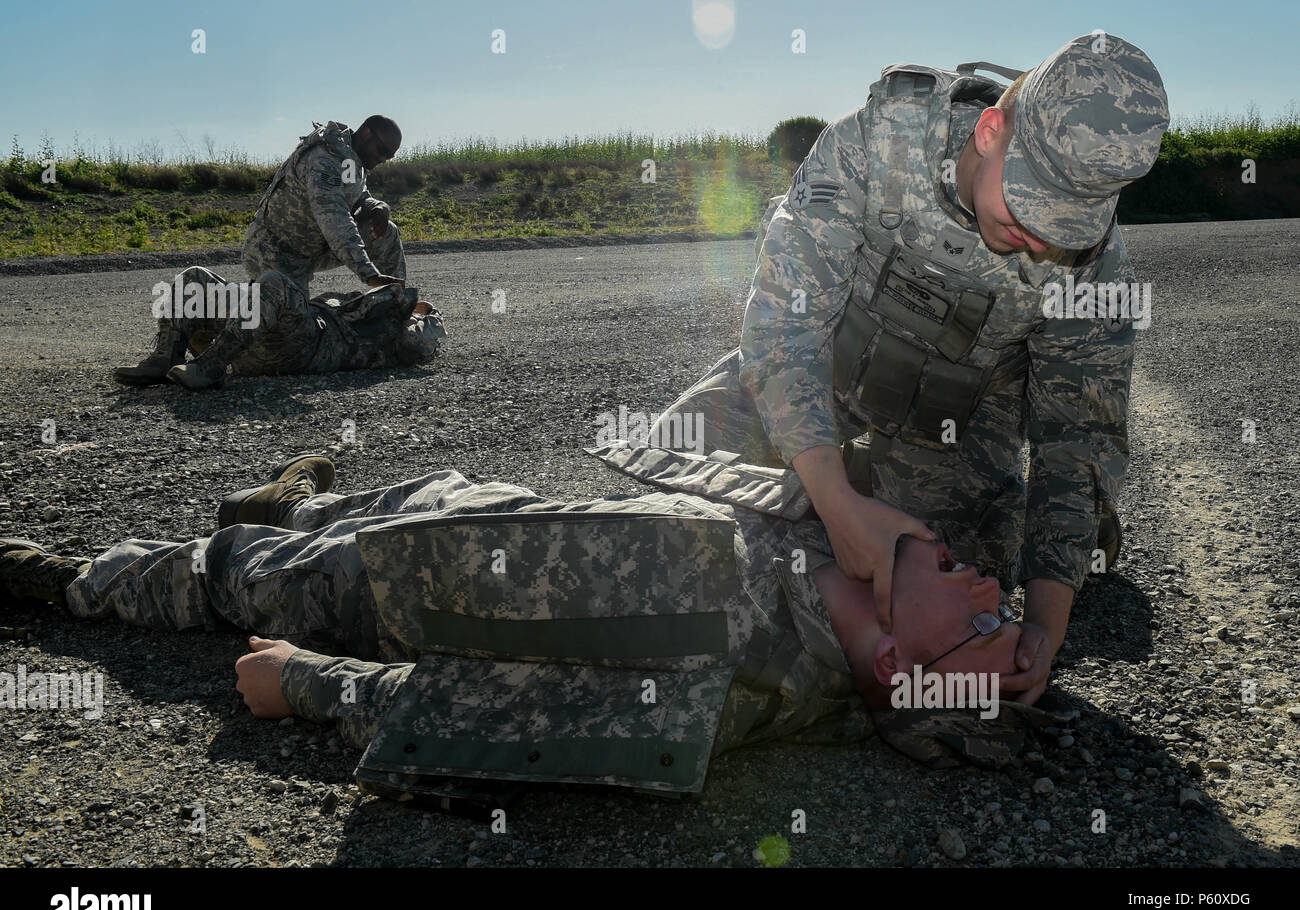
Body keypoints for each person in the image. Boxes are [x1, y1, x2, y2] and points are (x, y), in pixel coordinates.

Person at [0, 445, 1067, 804]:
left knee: (221, 572)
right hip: (470, 506)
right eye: (1000, 604)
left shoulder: (736, 677)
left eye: (979, 627)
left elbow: (506, 725)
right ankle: (291, 495)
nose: (990, 591)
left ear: (889, 658)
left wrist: (309, 682)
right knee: (332, 506)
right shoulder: (832, 524)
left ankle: (56, 580)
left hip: (382, 592)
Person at [649, 35, 1168, 707]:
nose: (1043, 242)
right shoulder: (874, 149)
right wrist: (836, 506)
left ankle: (1057, 536)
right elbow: (785, 327)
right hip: (821, 389)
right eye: (1033, 209)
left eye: (1068, 227)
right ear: (989, 133)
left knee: (950, 569)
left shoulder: (1096, 267)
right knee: (671, 473)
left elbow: (1078, 440)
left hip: (946, 437)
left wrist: (1046, 617)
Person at [112, 266, 445, 389]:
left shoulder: (400, 337)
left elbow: (430, 329)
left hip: (309, 347)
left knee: (275, 282)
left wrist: (420, 313)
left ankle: (211, 366)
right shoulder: (370, 309)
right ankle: (164, 358)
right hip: (264, 336)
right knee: (196, 277)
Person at [243, 115, 407, 296]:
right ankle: (237, 300)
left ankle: (397, 304)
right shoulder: (325, 158)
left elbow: (356, 195)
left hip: (314, 249)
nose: (384, 159)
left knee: (387, 232)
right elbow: (335, 220)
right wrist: (369, 274)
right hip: (276, 252)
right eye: (382, 150)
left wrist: (377, 206)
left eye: (389, 156)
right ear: (367, 133)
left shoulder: (350, 159)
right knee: (291, 318)